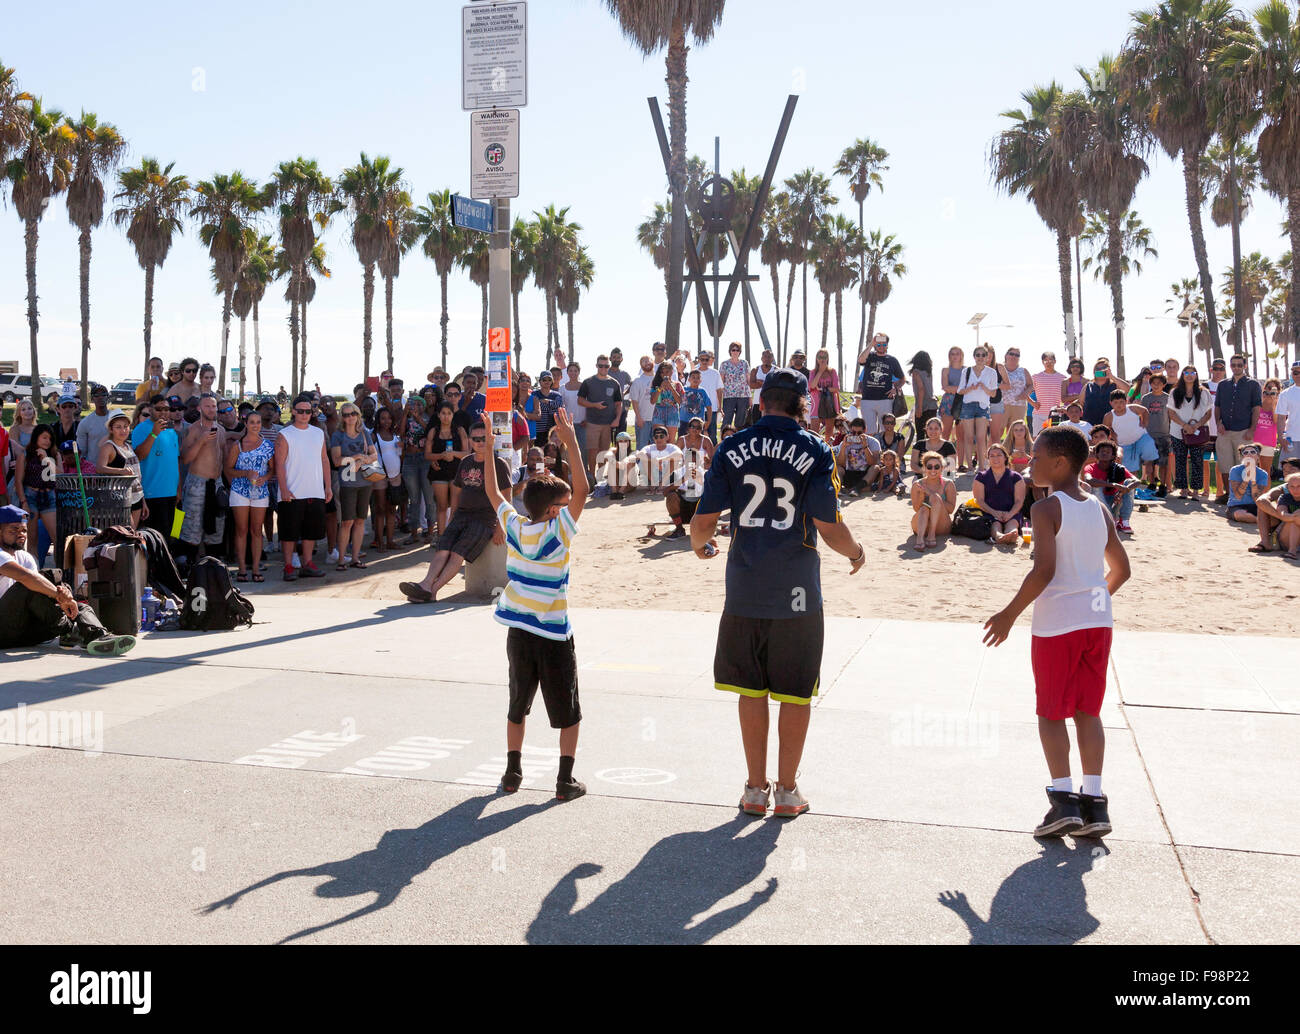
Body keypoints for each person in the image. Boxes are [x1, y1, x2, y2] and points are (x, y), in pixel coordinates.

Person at [692, 367, 865, 819]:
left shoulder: (731, 447)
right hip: (797, 590)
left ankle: (754, 789)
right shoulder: (815, 449)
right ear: (802, 404)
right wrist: (857, 552)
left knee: (750, 689)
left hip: (746, 586)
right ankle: (787, 791)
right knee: (795, 692)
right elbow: (830, 527)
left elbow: (702, 522)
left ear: (762, 401)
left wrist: (700, 546)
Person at [983, 426, 1131, 839]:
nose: (1029, 463)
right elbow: (1122, 569)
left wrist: (1009, 615)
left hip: (1057, 626)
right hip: (1098, 623)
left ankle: (1063, 801)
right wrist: (1092, 593)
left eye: (1035, 457)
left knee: (1050, 712)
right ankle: (1095, 803)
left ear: (1060, 462)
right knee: (1088, 711)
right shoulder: (1099, 507)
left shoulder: (1046, 509)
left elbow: (1043, 570)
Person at [482, 409, 590, 801]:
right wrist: (572, 443)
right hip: (554, 634)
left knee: (517, 705)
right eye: (562, 505)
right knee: (569, 711)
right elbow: (583, 490)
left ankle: (512, 773)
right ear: (553, 511)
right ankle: (565, 780)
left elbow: (495, 494)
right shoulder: (558, 533)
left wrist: (490, 452)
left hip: (519, 632)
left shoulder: (516, 527)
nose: (569, 507)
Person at [398, 418, 512, 604]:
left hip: (484, 519)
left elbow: (507, 496)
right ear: (470, 441)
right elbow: (456, 493)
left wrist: (501, 526)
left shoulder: (499, 463)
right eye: (476, 439)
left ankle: (433, 591)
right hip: (461, 515)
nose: (480, 442)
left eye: (484, 438)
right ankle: (426, 584)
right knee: (442, 549)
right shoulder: (466, 462)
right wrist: (452, 517)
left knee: (457, 554)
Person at [0, 506, 136, 655]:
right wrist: (59, 596)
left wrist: (64, 594)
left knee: (77, 605)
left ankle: (99, 637)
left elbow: (40, 589)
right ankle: (71, 630)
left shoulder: (25, 557)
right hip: (3, 630)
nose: (21, 535)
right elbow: (26, 578)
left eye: (24, 530)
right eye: (13, 530)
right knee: (33, 584)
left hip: (23, 631)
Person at [276, 393, 332, 580]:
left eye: (308, 411)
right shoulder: (285, 434)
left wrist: (328, 486)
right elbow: (279, 463)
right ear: (293, 411)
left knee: (311, 531)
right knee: (289, 532)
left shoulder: (318, 433)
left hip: (315, 490)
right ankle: (289, 566)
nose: (304, 414)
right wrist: (283, 489)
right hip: (292, 492)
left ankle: (307, 564)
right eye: (300, 411)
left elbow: (324, 460)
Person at [178, 394, 228, 562]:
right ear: (199, 408)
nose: (211, 410)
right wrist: (201, 440)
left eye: (214, 406)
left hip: (216, 484)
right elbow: (185, 458)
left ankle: (212, 567)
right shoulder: (192, 430)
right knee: (191, 527)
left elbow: (224, 459)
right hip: (196, 483)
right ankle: (189, 566)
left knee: (216, 527)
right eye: (207, 406)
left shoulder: (221, 430)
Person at [329, 403, 378, 571]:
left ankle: (355, 558)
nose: (349, 417)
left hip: (365, 481)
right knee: (347, 522)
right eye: (345, 414)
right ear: (341, 417)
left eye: (352, 414)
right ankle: (342, 559)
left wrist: (361, 460)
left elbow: (374, 455)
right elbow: (336, 461)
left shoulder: (364, 433)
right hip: (347, 482)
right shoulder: (338, 435)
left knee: (360, 521)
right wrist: (355, 458)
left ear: (358, 415)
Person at [225, 410, 274, 582]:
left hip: (260, 492)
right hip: (240, 491)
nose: (255, 425)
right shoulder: (237, 445)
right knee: (241, 530)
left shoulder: (267, 445)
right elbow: (228, 469)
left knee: (256, 531)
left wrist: (265, 478)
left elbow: (272, 469)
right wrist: (245, 473)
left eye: (258, 422)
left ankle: (256, 569)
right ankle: (242, 569)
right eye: (252, 422)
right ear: (245, 424)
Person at [1214, 354, 1261, 505]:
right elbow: (1217, 407)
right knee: (1225, 464)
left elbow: (1256, 408)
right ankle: (1230, 495)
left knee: (1245, 465)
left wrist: (1252, 429)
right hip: (1224, 431)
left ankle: (1245, 497)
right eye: (1233, 365)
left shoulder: (1253, 384)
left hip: (1244, 431)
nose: (1236, 367)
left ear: (1244, 366)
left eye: (1239, 365)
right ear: (1230, 366)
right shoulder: (1223, 385)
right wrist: (1218, 423)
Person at [13, 424, 58, 564]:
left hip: (49, 496)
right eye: (44, 437)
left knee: (57, 537)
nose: (47, 441)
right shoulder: (25, 455)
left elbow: (60, 475)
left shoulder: (54, 454)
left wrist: (47, 460)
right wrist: (23, 501)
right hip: (30, 496)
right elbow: (18, 481)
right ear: (36, 437)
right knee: (32, 538)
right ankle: (34, 571)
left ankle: (61, 571)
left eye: (50, 439)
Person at [424, 401, 470, 536]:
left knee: (455, 507)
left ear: (452, 415)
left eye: (449, 413)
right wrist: (441, 456)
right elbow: (427, 455)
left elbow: (467, 453)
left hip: (456, 472)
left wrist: (454, 454)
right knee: (442, 507)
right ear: (438, 415)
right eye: (443, 413)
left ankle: (452, 536)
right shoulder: (433, 431)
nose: (446, 417)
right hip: (438, 473)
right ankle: (441, 538)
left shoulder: (460, 430)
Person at [96, 411, 146, 529]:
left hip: (137, 496)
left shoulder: (129, 446)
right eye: (118, 427)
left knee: (132, 535)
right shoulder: (108, 447)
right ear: (111, 429)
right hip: (119, 499)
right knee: (125, 534)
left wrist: (143, 501)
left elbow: (137, 477)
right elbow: (99, 468)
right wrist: (121, 471)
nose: (123, 430)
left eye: (125, 427)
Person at [1169, 366, 1213, 499]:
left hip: (1197, 433)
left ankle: (1195, 491)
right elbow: (1171, 413)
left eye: (1192, 373)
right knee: (1180, 460)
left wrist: (1197, 426)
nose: (1189, 375)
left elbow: (1208, 413)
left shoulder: (1204, 392)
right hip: (1178, 431)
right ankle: (1183, 489)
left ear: (1196, 375)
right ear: (1182, 375)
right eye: (1186, 372)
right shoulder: (1174, 392)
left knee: (1197, 461)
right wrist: (1184, 425)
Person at [577, 354, 622, 479]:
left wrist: (617, 419)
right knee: (592, 451)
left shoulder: (614, 383)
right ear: (596, 366)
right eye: (601, 365)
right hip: (592, 422)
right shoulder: (588, 382)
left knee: (603, 453)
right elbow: (580, 400)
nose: (604, 368)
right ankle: (592, 478)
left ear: (609, 366)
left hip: (608, 424)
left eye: (606, 366)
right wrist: (594, 405)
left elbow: (619, 404)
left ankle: (600, 478)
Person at [974, 442, 1026, 545]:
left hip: (1012, 511)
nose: (995, 458)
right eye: (991, 456)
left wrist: (1010, 513)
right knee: (995, 524)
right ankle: (999, 536)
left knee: (1012, 524)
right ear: (988, 459)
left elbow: (1019, 501)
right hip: (989, 511)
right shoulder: (981, 477)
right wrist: (994, 512)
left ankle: (1012, 534)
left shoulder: (1016, 477)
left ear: (1005, 457)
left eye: (999, 455)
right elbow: (979, 500)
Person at [399, 396, 435, 542]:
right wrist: (405, 414)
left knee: (429, 498)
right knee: (413, 499)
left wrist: (418, 418)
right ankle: (414, 533)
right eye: (413, 404)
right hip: (409, 460)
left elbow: (429, 432)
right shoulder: (407, 420)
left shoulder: (428, 419)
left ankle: (431, 532)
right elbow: (401, 434)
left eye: (420, 404)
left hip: (424, 460)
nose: (416, 406)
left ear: (424, 406)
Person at [1103, 390, 1159, 484]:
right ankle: (1132, 488)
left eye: (1121, 402)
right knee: (1131, 469)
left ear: (1126, 401)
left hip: (1141, 437)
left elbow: (1144, 411)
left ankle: (1150, 475)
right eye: (1115, 402)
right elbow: (1105, 429)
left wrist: (1145, 421)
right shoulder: (1109, 416)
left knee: (1149, 451)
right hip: (1125, 444)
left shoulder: (1133, 408)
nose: (1119, 405)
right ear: (1111, 403)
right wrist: (1112, 434)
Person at [1084, 440, 1139, 534]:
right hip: (1099, 504)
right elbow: (1088, 480)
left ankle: (1124, 522)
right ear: (1097, 454)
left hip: (1115, 500)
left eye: (1108, 452)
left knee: (1129, 483)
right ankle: (1108, 519)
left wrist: (1123, 491)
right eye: (1102, 451)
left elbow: (1137, 481)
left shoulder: (1119, 468)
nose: (1104, 453)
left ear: (1113, 456)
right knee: (1096, 485)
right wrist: (1112, 485)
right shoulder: (1090, 467)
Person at [956, 346, 997, 472]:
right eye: (977, 355)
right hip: (968, 405)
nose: (980, 358)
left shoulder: (991, 372)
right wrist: (971, 388)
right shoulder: (966, 371)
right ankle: (970, 467)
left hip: (983, 406)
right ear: (974, 357)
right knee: (968, 437)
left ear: (987, 357)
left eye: (983, 355)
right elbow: (960, 390)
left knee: (981, 437)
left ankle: (982, 467)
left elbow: (994, 394)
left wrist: (984, 388)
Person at [855, 332, 904, 435]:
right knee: (869, 431)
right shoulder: (869, 356)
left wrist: (896, 388)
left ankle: (886, 451)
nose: (881, 347)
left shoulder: (892, 360)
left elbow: (902, 378)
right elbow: (860, 360)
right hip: (868, 399)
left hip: (885, 399)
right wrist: (871, 344)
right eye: (879, 344)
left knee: (886, 430)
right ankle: (872, 450)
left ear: (887, 345)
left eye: (884, 344)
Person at [910, 450, 958, 550]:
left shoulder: (948, 484)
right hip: (921, 525)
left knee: (935, 498)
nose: (933, 470)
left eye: (937, 467)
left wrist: (931, 494)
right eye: (929, 467)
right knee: (924, 508)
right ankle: (920, 539)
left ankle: (931, 535)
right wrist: (922, 495)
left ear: (942, 468)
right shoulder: (917, 485)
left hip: (941, 525)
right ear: (924, 468)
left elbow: (950, 510)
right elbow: (916, 509)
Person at [369, 405, 401, 552]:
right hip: (379, 476)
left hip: (395, 476)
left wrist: (403, 447)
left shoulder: (396, 435)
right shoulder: (373, 435)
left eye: (389, 418)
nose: (386, 421)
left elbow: (399, 455)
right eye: (383, 418)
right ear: (378, 420)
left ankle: (390, 540)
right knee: (380, 509)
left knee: (392, 510)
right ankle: (379, 541)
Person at [1252, 473, 1300, 558]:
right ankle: (1291, 551)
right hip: (1282, 538)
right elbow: (1282, 513)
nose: (1295, 490)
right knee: (1296, 517)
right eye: (1292, 486)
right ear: (1287, 487)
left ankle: (1292, 550)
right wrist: (1293, 517)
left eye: (1299, 486)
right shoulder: (1285, 497)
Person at [1226, 442, 1270, 527]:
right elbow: (1238, 495)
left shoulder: (1263, 474)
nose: (1249, 454)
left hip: (1254, 506)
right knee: (1240, 515)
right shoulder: (1235, 470)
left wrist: (1253, 479)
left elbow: (1256, 498)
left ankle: (1260, 519)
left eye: (1253, 452)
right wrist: (1246, 479)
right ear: (1243, 457)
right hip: (1236, 506)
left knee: (1271, 512)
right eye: (1245, 452)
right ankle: (1261, 521)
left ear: (1258, 456)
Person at [1080, 358, 1129, 428]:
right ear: (1094, 371)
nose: (1100, 370)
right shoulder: (1088, 386)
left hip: (1111, 424)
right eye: (1098, 368)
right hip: (1090, 424)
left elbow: (1127, 389)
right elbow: (1081, 402)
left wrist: (1112, 377)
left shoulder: (1114, 384)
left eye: (1103, 368)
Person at [838, 417, 880, 496]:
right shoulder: (846, 441)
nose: (856, 435)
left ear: (865, 431)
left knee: (876, 468)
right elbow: (840, 463)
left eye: (859, 433)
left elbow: (873, 462)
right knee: (838, 468)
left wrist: (865, 447)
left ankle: (857, 488)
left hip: (865, 475)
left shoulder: (873, 442)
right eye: (853, 432)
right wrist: (843, 447)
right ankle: (839, 488)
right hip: (849, 473)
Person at [938, 347, 965, 462]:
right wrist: (961, 389)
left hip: (963, 403)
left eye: (957, 354)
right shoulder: (945, 370)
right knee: (945, 434)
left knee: (961, 436)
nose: (955, 356)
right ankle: (942, 462)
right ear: (949, 356)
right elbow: (945, 387)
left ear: (961, 356)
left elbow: (968, 388)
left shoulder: (966, 370)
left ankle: (960, 464)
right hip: (948, 402)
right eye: (952, 354)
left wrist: (954, 389)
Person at [77, 383, 113, 468]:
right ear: (92, 398)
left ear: (107, 397)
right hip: (93, 469)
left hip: (115, 468)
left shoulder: (116, 419)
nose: (100, 397)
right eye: (96, 395)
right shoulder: (85, 423)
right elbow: (82, 451)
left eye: (103, 394)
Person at [1030, 352, 1066, 436]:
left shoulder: (1063, 378)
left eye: (1051, 360)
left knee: (1055, 440)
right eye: (1045, 360)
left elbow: (1065, 397)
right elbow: (1025, 392)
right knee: (1037, 439)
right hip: (1039, 414)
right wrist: (1033, 403)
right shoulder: (1036, 377)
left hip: (1055, 414)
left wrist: (1063, 408)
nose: (1048, 362)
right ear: (1042, 362)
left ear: (1055, 361)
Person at [808, 349, 842, 437]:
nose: (822, 359)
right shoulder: (813, 372)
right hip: (816, 404)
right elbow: (812, 386)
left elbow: (836, 388)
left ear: (828, 358)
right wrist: (820, 371)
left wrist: (822, 389)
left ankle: (827, 447)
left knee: (829, 430)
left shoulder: (832, 371)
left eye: (824, 357)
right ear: (816, 359)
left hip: (830, 403)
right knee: (814, 432)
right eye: (820, 357)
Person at [526, 370, 565, 447]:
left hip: (553, 431)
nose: (547, 382)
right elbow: (535, 407)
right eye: (544, 380)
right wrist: (552, 406)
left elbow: (560, 405)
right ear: (540, 381)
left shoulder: (557, 395)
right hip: (538, 430)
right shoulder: (534, 394)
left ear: (552, 381)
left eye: (549, 379)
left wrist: (546, 402)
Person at [627, 355, 658, 450]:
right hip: (643, 420)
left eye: (648, 360)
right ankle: (639, 465)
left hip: (657, 420)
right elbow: (634, 401)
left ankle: (655, 465)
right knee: (642, 449)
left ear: (653, 362)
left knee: (656, 448)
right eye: (643, 362)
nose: (647, 363)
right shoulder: (638, 381)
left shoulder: (659, 379)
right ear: (641, 366)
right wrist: (639, 418)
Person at [719, 342, 750, 435]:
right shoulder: (724, 364)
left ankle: (738, 441)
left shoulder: (744, 363)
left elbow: (748, 381)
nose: (735, 352)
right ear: (730, 351)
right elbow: (721, 382)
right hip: (729, 396)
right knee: (727, 420)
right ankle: (724, 440)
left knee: (740, 422)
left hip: (743, 396)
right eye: (733, 350)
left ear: (740, 352)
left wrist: (750, 398)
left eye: (737, 350)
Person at [694, 350, 725, 442]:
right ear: (699, 360)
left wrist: (720, 407)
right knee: (696, 435)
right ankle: (694, 456)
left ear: (709, 360)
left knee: (712, 436)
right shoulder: (694, 372)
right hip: (696, 409)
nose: (704, 362)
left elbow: (719, 390)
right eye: (702, 359)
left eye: (706, 359)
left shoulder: (715, 373)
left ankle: (713, 456)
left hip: (712, 409)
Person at [650, 362, 684, 444]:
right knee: (658, 439)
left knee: (671, 440)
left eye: (667, 372)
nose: (665, 375)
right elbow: (653, 401)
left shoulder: (678, 384)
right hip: (659, 414)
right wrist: (660, 388)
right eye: (662, 372)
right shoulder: (656, 384)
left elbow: (680, 401)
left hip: (672, 413)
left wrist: (671, 387)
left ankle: (670, 456)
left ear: (672, 372)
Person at [1255, 378, 1284, 472]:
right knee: (1251, 471)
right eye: (1269, 387)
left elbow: (1276, 421)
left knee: (1265, 472)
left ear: (1278, 391)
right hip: (1253, 441)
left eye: (1274, 389)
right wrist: (1263, 400)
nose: (1270, 390)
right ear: (1264, 388)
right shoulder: (1257, 403)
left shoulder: (1279, 406)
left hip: (1268, 443)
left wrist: (1274, 403)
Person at [908, 350, 937, 437]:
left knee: (920, 434)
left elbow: (921, 389)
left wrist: (919, 407)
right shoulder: (929, 372)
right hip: (932, 405)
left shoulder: (916, 372)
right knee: (931, 434)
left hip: (923, 405)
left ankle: (921, 451)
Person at [1277, 360, 1300, 464]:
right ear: (1292, 374)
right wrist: (1281, 438)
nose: (1298, 375)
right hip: (1292, 439)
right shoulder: (1285, 394)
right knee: (1290, 472)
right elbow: (1281, 418)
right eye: (1296, 372)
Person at [747, 348, 776, 428]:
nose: (767, 359)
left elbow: (777, 386)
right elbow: (752, 385)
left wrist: (760, 382)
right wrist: (768, 383)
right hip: (757, 402)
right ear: (761, 358)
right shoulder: (755, 370)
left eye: (769, 357)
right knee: (756, 426)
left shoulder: (777, 370)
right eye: (765, 356)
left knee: (770, 426)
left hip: (771, 403)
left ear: (772, 358)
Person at [607, 347, 632, 433]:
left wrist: (624, 393)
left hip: (620, 409)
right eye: (614, 357)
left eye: (618, 357)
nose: (616, 359)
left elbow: (632, 385)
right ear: (610, 359)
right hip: (607, 408)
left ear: (621, 359)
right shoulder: (605, 372)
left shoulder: (624, 374)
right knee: (607, 436)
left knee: (621, 435)